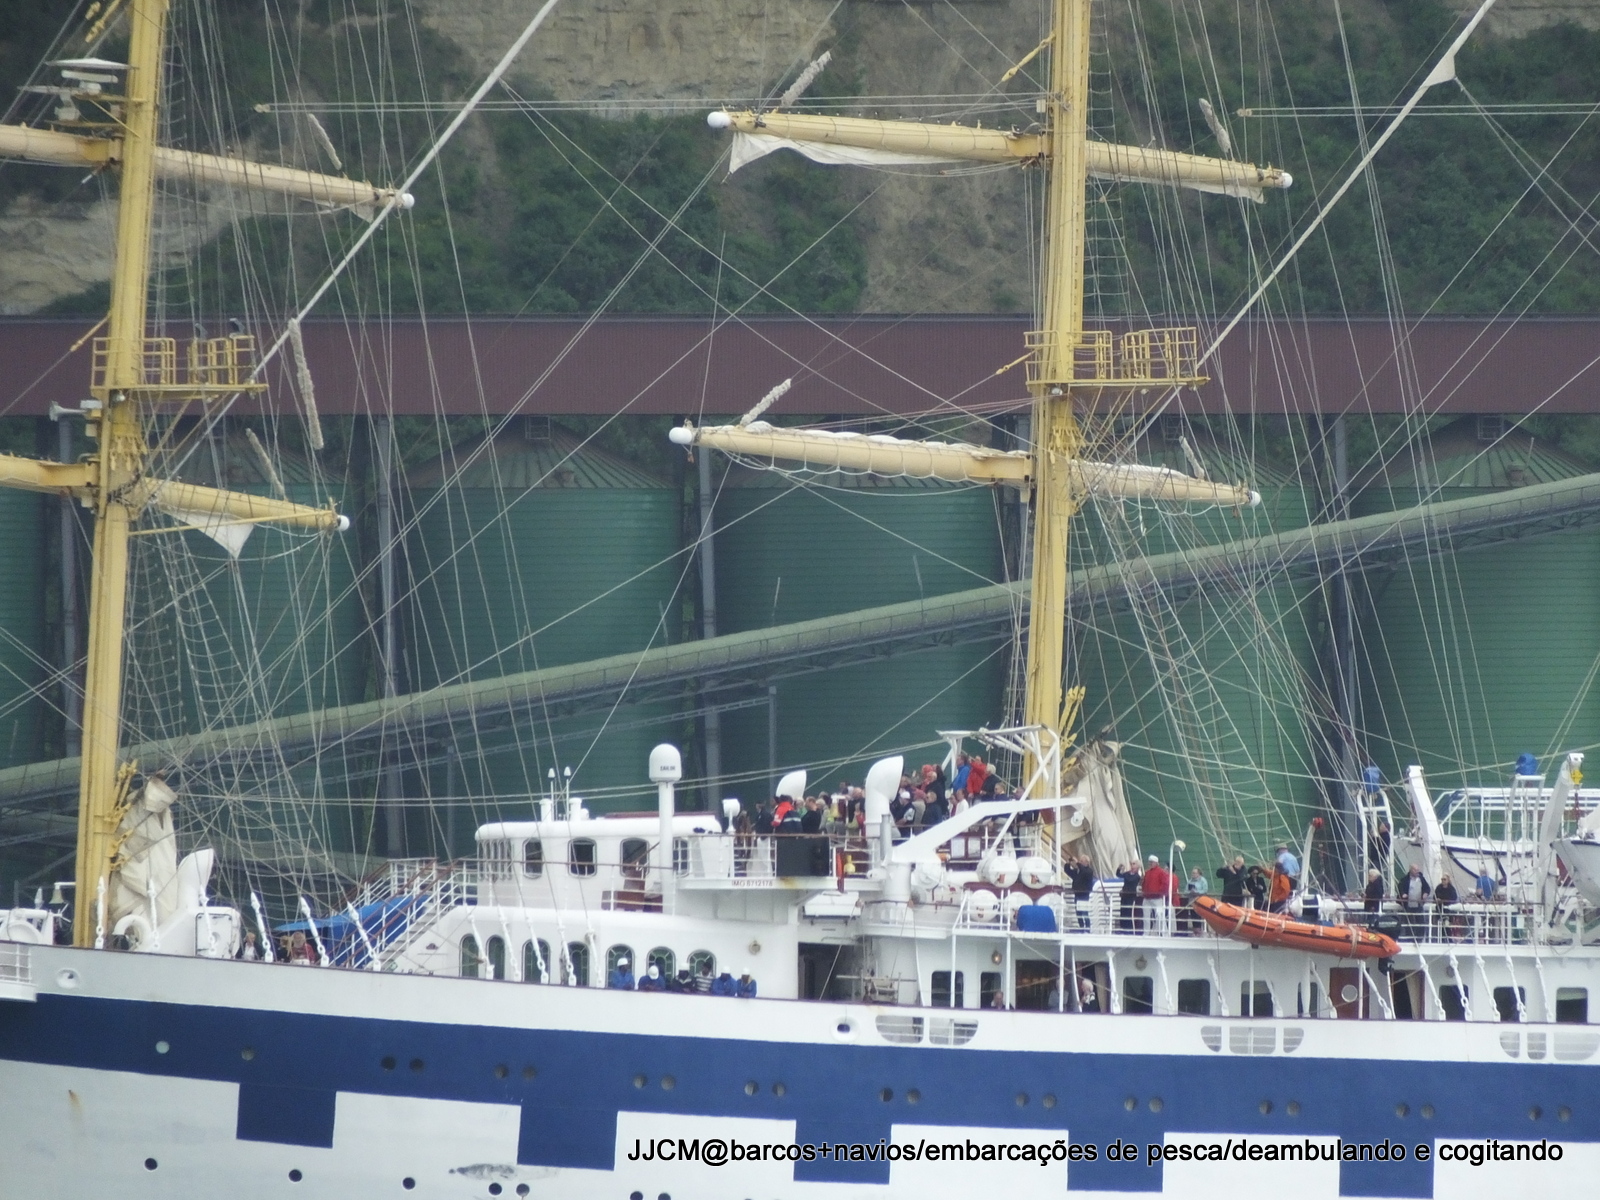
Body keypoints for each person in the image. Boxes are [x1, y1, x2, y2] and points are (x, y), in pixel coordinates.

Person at [1141, 854, 1172, 935]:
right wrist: (1144, 891)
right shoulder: (1147, 872)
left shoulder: (1161, 872)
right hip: (1147, 898)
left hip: (1157, 898)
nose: (1150, 864)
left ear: (1156, 863)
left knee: (1160, 916)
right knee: (1146, 917)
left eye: (1152, 862)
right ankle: (1146, 932)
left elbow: (1165, 883)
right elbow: (1144, 883)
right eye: (1149, 862)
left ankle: (1164, 933)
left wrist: (1160, 893)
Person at [1400, 864, 1430, 939]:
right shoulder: (1405, 879)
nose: (1417, 871)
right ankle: (1409, 937)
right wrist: (1403, 894)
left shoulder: (1421, 879)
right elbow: (1400, 887)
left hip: (1418, 904)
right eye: (1415, 870)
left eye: (1418, 870)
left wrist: (1425, 894)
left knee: (1420, 922)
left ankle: (1420, 937)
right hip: (1409, 904)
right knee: (1408, 922)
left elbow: (1427, 888)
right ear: (1411, 870)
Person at [1067, 854, 1096, 930]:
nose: (1080, 862)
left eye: (1082, 861)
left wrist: (1077, 863)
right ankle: (1081, 927)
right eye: (1080, 861)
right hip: (1077, 894)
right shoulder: (1078, 871)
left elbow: (1084, 872)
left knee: (1084, 912)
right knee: (1078, 913)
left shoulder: (1089, 871)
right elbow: (1068, 871)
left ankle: (1087, 928)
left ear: (1087, 862)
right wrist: (1068, 863)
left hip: (1084, 895)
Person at [1116, 861, 1142, 934]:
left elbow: (1131, 880)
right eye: (1131, 864)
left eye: (1134, 864)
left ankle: (1129, 928)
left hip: (1131, 896)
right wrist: (1119, 869)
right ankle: (1122, 927)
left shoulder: (1137, 876)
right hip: (1124, 896)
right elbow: (1118, 875)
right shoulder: (1127, 873)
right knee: (1123, 911)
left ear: (1137, 867)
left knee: (1129, 912)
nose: (1132, 866)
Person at [1435, 872, 1461, 942]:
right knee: (1441, 925)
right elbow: (1435, 896)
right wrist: (1437, 899)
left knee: (1447, 925)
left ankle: (1448, 939)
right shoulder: (1439, 887)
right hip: (1440, 909)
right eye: (1442, 879)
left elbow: (1453, 897)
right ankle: (1441, 939)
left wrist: (1443, 900)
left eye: (1444, 879)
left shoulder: (1451, 889)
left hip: (1448, 910)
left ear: (1448, 880)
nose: (1443, 881)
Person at [1182, 868, 1208, 935]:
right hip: (1191, 902)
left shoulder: (1203, 881)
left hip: (1200, 902)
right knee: (1193, 916)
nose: (1193, 874)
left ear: (1198, 874)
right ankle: (1195, 931)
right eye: (1192, 873)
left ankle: (1200, 931)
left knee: (1199, 916)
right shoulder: (1190, 881)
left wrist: (1197, 892)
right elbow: (1185, 891)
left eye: (1194, 873)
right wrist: (1189, 892)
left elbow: (1205, 890)